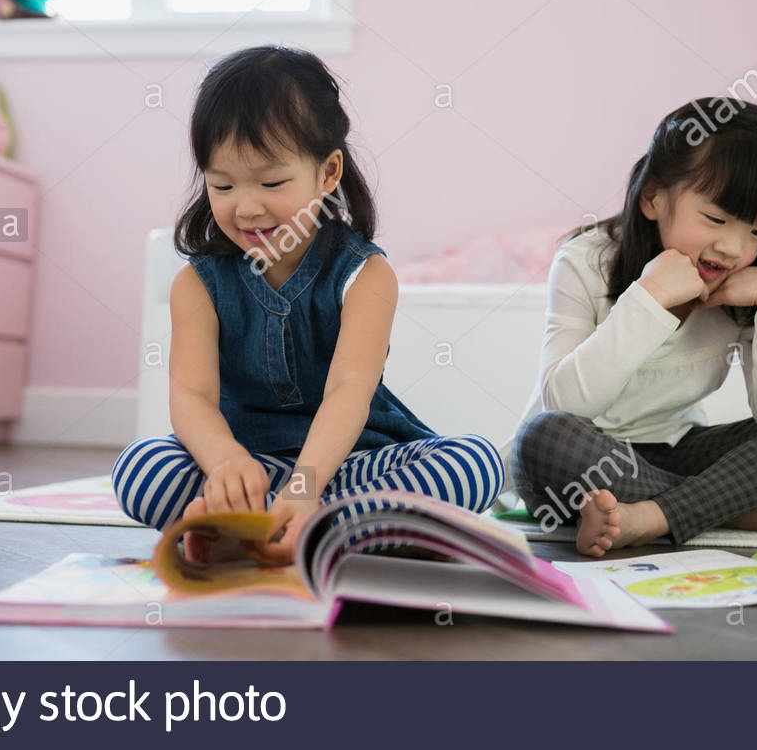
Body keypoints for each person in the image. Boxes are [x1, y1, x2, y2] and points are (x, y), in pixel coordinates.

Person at [113, 45, 504, 565]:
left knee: (475, 463)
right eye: (222, 184)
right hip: (248, 465)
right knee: (141, 469)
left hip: (352, 465)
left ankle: (290, 527)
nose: (247, 207)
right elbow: (192, 395)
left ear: (328, 172)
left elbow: (348, 389)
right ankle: (290, 525)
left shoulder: (366, 275)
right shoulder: (197, 284)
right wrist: (227, 462)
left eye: (272, 182)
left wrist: (308, 486)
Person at [509, 98, 757, 556]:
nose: (733, 247)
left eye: (756, 231)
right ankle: (729, 507)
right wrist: (649, 297)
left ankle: (650, 517)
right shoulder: (584, 260)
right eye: (715, 219)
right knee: (542, 438)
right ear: (654, 197)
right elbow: (569, 403)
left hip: (679, 447)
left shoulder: (747, 284)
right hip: (585, 457)